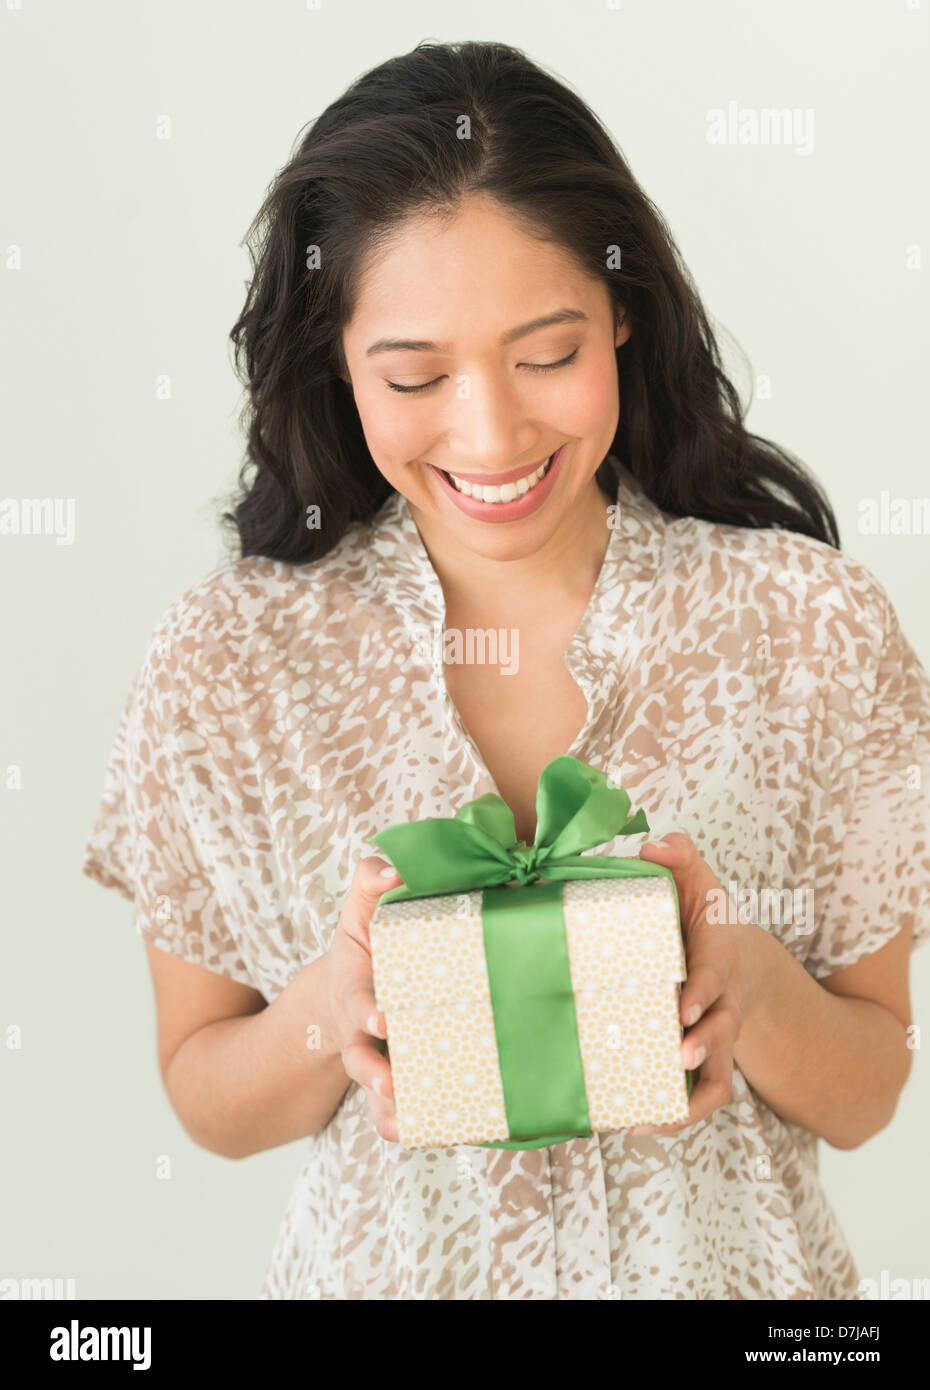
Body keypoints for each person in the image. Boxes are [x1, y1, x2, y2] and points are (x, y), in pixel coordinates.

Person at [82, 40, 930, 1300]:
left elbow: (870, 1088)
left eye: (546, 354)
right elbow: (207, 1090)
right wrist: (336, 1004)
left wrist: (743, 985)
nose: (491, 432)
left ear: (624, 311)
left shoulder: (810, 624)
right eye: (415, 374)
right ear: (335, 357)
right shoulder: (230, 659)